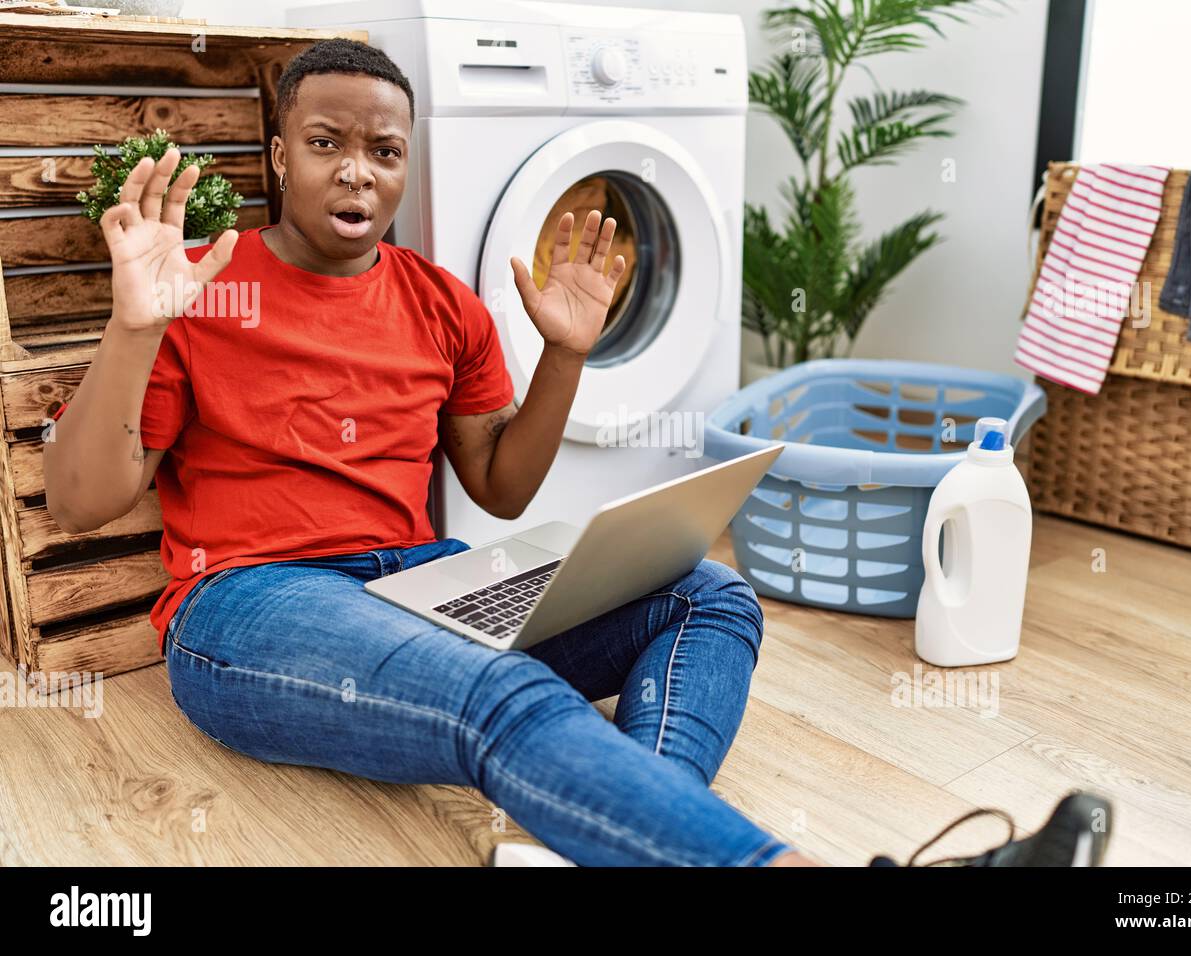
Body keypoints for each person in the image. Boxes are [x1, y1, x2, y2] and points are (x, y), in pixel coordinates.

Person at [42, 39, 1111, 867]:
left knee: (711, 595)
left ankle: (586, 842)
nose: (356, 172)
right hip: (250, 610)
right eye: (325, 143)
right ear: (279, 155)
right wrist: (133, 326)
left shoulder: (438, 303)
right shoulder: (201, 291)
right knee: (508, 701)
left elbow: (500, 483)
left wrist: (564, 355)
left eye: (384, 149)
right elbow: (84, 499)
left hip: (418, 583)